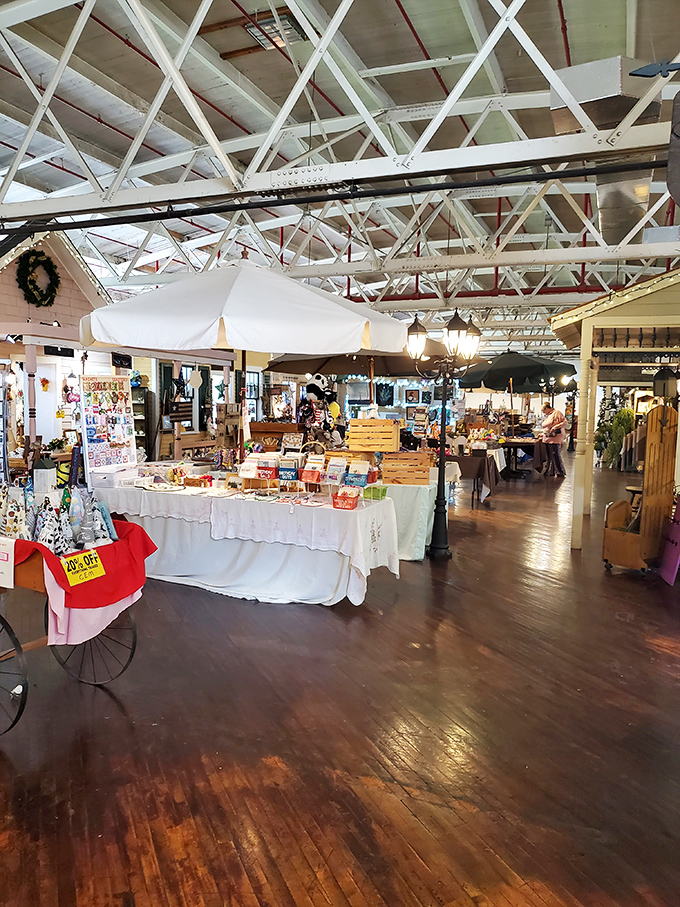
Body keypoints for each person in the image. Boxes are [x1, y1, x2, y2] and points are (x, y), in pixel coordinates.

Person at [541, 402, 567, 477]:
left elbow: (564, 422)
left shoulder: (557, 413)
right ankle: (551, 470)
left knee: (555, 454)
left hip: (555, 437)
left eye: (544, 411)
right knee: (550, 455)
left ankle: (560, 471)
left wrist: (555, 427)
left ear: (547, 409)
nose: (543, 413)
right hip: (548, 437)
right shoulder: (549, 415)